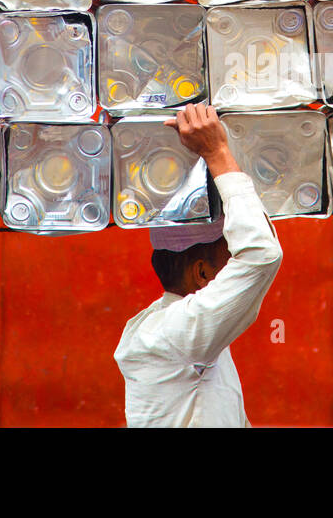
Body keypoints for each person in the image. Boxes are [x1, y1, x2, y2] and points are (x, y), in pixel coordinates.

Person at [113, 103, 283, 428]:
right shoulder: (178, 334)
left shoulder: (191, 335)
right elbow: (261, 253)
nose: (238, 260)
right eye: (231, 252)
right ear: (202, 273)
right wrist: (217, 152)